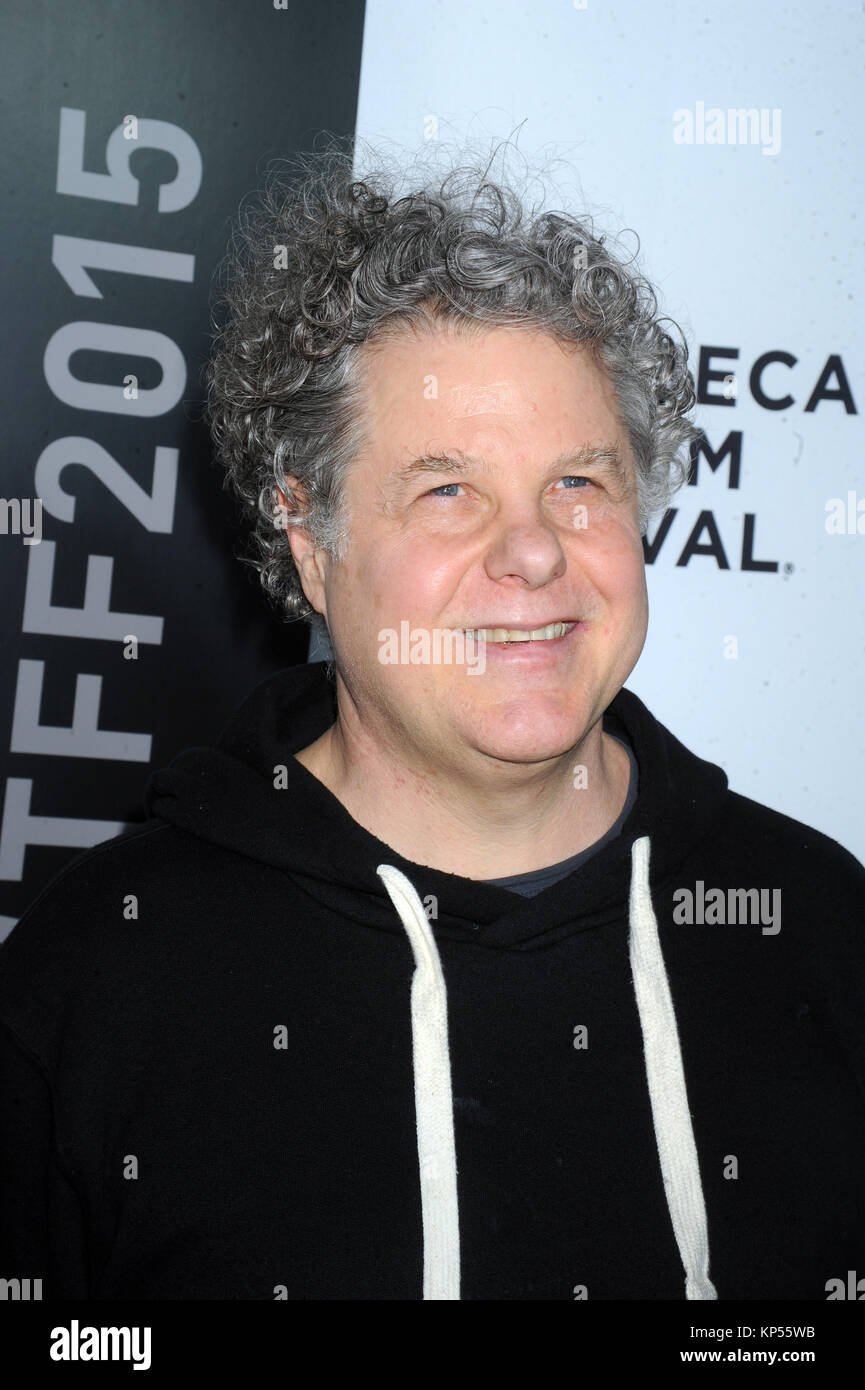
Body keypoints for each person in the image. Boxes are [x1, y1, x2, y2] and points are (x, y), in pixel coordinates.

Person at [1, 142, 863, 1302]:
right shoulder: (101, 969)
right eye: (447, 490)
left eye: (580, 482)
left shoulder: (815, 922)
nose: (533, 551)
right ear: (312, 549)